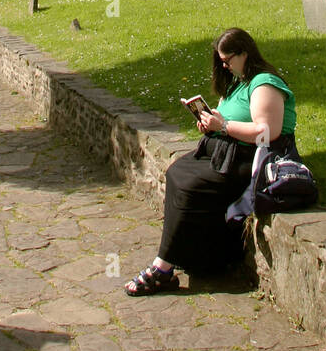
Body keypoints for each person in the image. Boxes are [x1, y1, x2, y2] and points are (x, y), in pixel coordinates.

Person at [124, 27, 298, 295]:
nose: (225, 67)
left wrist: (224, 125)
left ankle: (163, 267)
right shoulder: (238, 81)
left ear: (244, 53)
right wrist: (210, 123)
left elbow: (267, 133)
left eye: (228, 60)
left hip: (252, 159)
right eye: (221, 62)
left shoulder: (263, 84)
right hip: (225, 151)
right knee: (176, 173)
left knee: (190, 185)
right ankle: (194, 257)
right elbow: (227, 119)